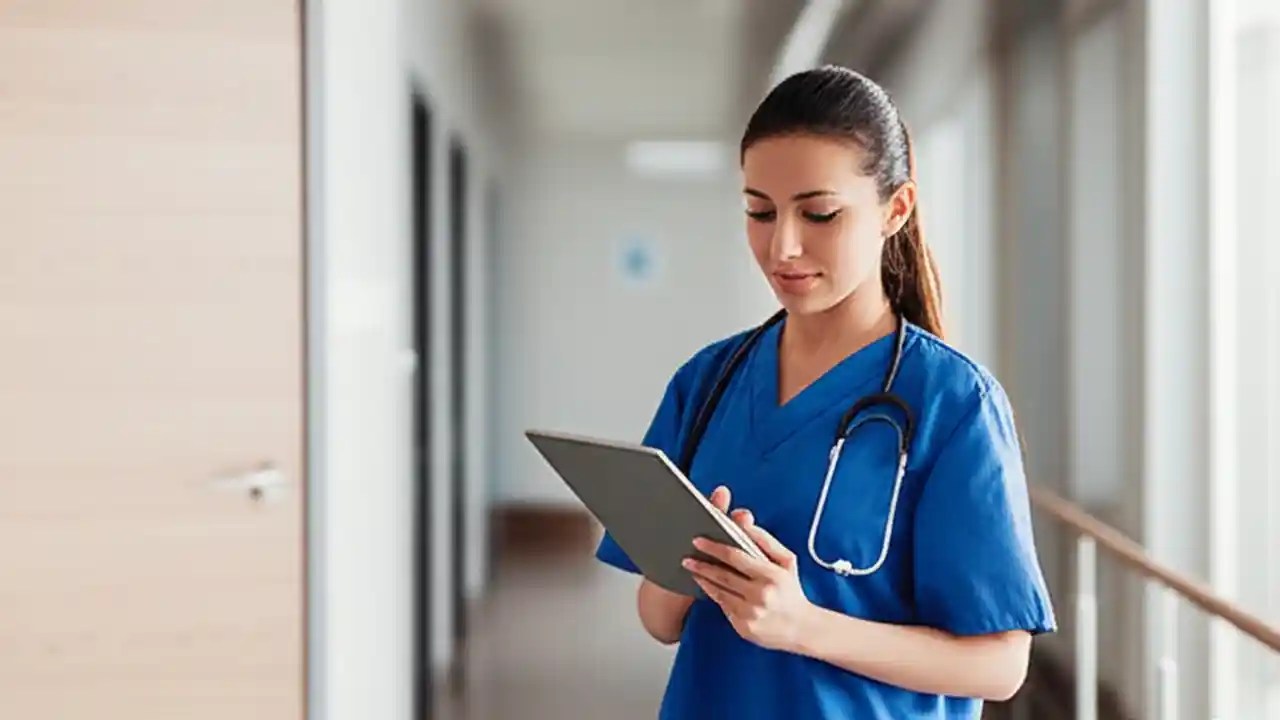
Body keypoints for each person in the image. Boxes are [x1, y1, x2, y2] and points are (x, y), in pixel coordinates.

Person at [594, 65, 1056, 719]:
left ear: (896, 209)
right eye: (760, 211)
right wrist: (700, 561)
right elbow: (658, 618)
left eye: (819, 213)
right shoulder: (708, 381)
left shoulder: (953, 403)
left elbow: (999, 666)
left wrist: (802, 625)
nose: (782, 245)